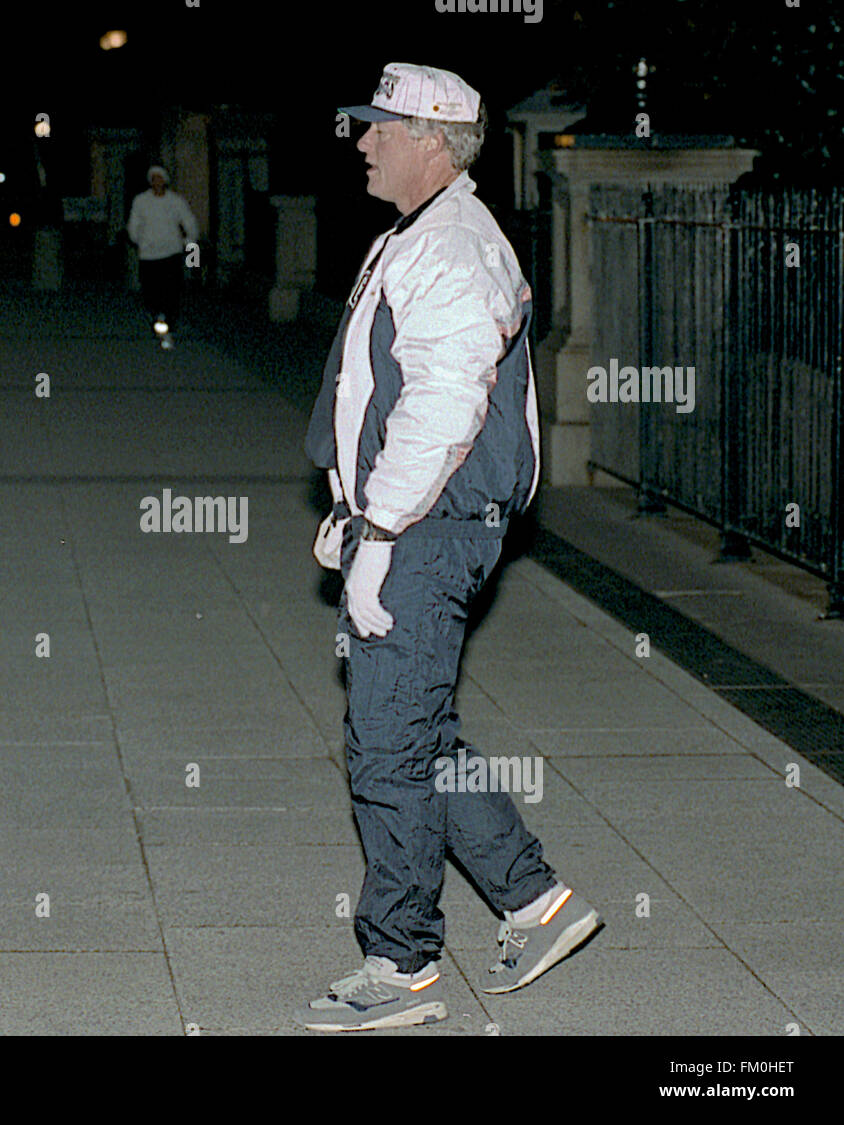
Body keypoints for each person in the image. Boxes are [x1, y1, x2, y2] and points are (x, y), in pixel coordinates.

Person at [298, 63, 601, 1032]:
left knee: (384, 746)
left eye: (379, 128)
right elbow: (391, 396)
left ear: (433, 139)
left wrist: (380, 530)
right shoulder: (427, 235)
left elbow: (439, 410)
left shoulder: (449, 250)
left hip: (425, 529)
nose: (361, 141)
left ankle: (400, 965)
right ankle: (532, 901)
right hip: (416, 521)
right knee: (418, 730)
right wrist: (354, 506)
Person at [126, 165, 198, 348]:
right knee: (151, 292)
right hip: (149, 254)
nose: (157, 182)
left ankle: (168, 326)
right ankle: (157, 317)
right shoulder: (141, 201)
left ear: (165, 180)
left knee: (171, 292)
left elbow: (188, 221)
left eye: (160, 178)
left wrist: (190, 241)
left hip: (171, 252)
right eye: (154, 178)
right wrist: (137, 240)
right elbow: (134, 224)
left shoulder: (175, 201)